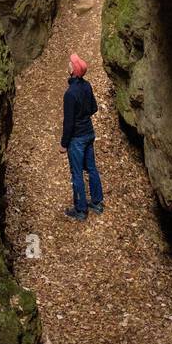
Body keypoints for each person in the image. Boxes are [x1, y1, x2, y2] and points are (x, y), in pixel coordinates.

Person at [60, 53, 104, 220]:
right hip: (89, 133)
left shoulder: (70, 94)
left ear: (73, 70)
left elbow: (68, 123)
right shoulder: (87, 86)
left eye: (71, 63)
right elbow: (94, 108)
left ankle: (80, 210)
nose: (69, 64)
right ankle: (97, 202)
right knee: (92, 168)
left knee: (77, 173)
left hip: (77, 139)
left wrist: (64, 144)